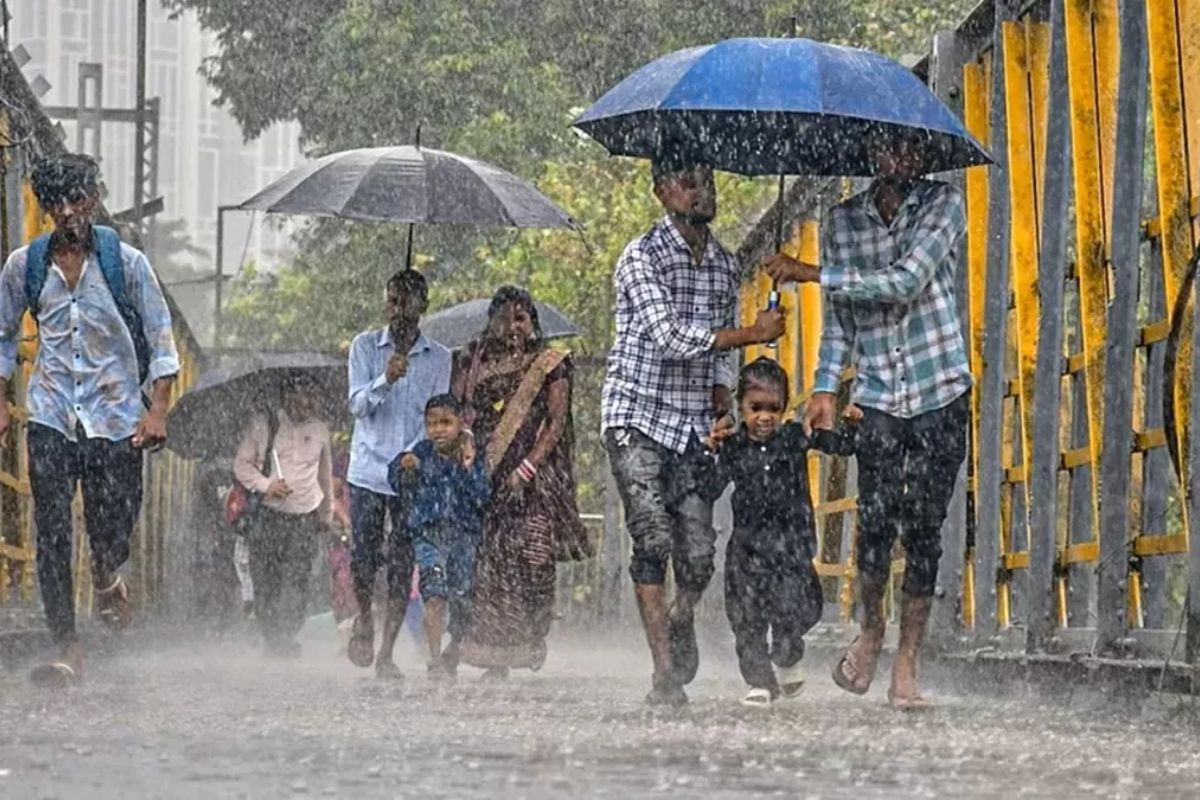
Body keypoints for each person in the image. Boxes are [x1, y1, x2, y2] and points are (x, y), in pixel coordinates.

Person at [763, 130, 972, 710]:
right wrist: (826, 386)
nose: (898, 157)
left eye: (910, 148)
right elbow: (841, 322)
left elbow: (906, 281)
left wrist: (811, 273)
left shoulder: (944, 204)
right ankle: (873, 630)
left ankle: (907, 665)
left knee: (924, 529)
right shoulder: (842, 221)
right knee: (875, 525)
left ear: (926, 155)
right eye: (887, 146)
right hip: (877, 392)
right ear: (872, 153)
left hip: (939, 387)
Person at [602, 152, 785, 706]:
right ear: (661, 191)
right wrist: (753, 333)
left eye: (707, 179)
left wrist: (725, 394)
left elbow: (718, 358)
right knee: (653, 538)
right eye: (687, 182)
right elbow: (670, 337)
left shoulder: (727, 265)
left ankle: (680, 618)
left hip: (690, 424)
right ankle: (664, 674)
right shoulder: (641, 256)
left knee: (700, 553)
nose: (700, 190)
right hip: (635, 414)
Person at [0, 154, 179, 687]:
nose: (67, 211)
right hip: (53, 413)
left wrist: (158, 409)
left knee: (113, 526)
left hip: (117, 417)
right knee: (52, 529)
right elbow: (4, 335)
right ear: (47, 208)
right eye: (56, 203)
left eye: (77, 200)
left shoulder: (127, 264)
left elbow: (162, 339)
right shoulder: (24, 267)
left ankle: (106, 574)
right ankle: (67, 648)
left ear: (93, 200)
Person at [454, 286, 591, 677]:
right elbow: (461, 410)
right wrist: (467, 448)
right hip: (487, 475)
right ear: (491, 322)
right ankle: (497, 658)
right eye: (503, 318)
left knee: (532, 560)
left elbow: (556, 421)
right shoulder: (474, 359)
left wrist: (527, 468)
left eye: (520, 318)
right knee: (494, 566)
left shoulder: (551, 363)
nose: (512, 327)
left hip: (536, 478)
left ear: (533, 323)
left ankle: (532, 634)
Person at [706, 358, 858, 707]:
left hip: (791, 549)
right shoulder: (734, 446)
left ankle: (788, 653)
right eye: (755, 408)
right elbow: (710, 486)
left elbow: (838, 445)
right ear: (740, 407)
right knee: (746, 621)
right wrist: (708, 451)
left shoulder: (793, 437)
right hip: (748, 552)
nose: (764, 417)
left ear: (786, 407)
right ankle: (759, 681)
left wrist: (851, 427)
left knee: (801, 609)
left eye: (773, 408)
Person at [345, 270, 451, 679]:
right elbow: (357, 406)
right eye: (391, 301)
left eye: (405, 301)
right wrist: (385, 379)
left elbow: (438, 414)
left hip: (411, 473)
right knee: (363, 557)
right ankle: (365, 620)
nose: (397, 310)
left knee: (402, 562)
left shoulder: (440, 357)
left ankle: (387, 652)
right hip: (369, 469)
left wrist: (419, 453)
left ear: (423, 305)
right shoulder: (364, 347)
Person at [390, 394, 490, 681]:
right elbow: (395, 480)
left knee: (462, 597)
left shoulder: (472, 456)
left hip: (463, 538)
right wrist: (404, 467)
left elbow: (483, 494)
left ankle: (454, 650)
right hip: (429, 536)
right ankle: (434, 659)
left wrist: (470, 466)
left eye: (446, 422)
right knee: (434, 594)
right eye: (432, 424)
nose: (439, 430)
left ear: (461, 423)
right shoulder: (420, 453)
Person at [233, 375, 335, 657]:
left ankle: (286, 634)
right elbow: (241, 466)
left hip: (305, 516)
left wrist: (327, 512)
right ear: (287, 396)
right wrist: (267, 485)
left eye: (312, 396)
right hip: (269, 515)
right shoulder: (265, 425)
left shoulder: (320, 430)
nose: (307, 402)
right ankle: (272, 637)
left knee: (298, 577)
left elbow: (325, 475)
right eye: (300, 395)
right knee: (266, 578)